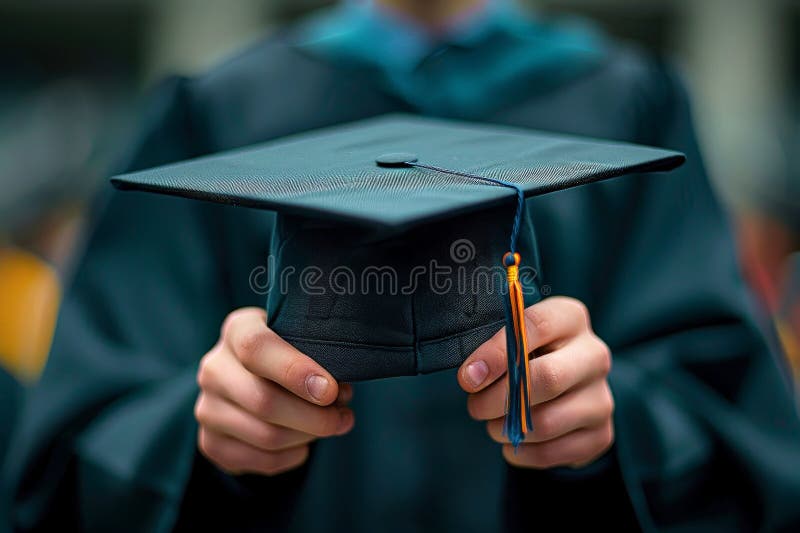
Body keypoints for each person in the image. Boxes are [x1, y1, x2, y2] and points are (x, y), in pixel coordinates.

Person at [5, 0, 800, 531]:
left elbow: (741, 438)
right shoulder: (217, 112)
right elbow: (72, 458)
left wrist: (610, 426)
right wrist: (204, 433)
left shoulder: (630, 104)